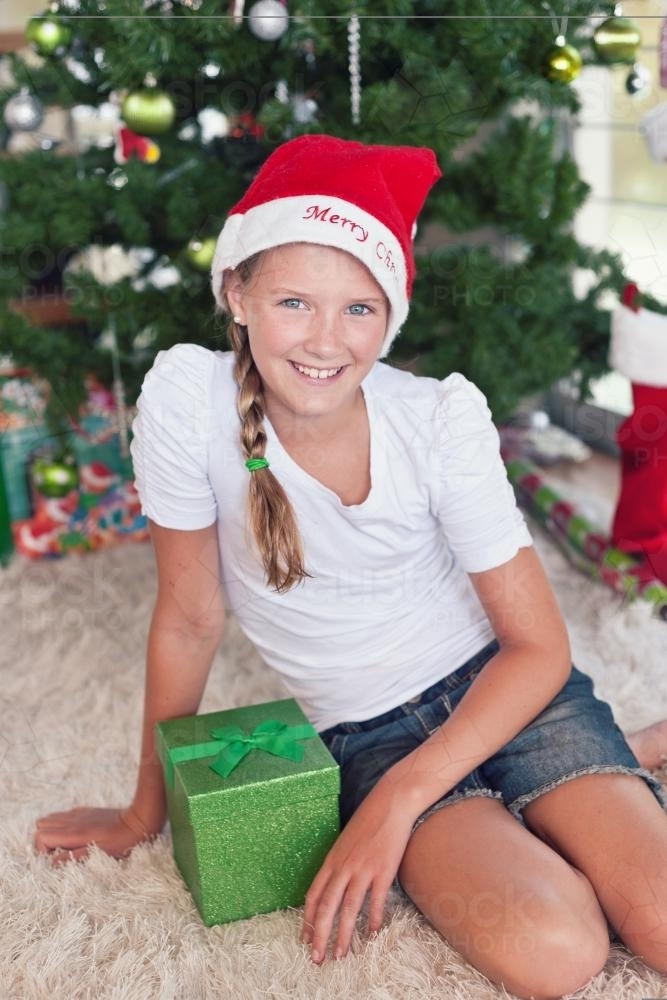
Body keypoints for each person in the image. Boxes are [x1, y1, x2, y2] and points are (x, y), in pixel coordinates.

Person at [34, 134, 667, 1000]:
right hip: (365, 733)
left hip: (509, 694)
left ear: (390, 317)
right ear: (237, 294)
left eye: (358, 310)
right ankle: (609, 765)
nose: (325, 341)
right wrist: (148, 810)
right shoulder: (188, 403)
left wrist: (395, 806)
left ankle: (594, 762)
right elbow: (188, 615)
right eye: (294, 300)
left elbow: (537, 649)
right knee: (556, 952)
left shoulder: (437, 419)